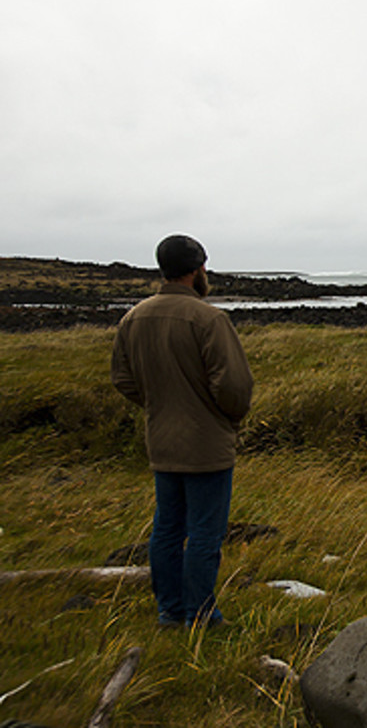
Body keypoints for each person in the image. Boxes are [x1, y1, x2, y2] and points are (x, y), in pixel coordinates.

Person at [111, 234, 253, 628]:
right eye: (204, 266)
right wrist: (225, 417)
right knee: (205, 533)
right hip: (206, 445)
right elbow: (235, 388)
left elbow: (123, 379)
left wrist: (159, 404)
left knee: (167, 529)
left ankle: (169, 611)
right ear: (196, 270)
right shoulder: (209, 319)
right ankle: (201, 614)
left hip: (162, 440)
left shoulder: (133, 318)